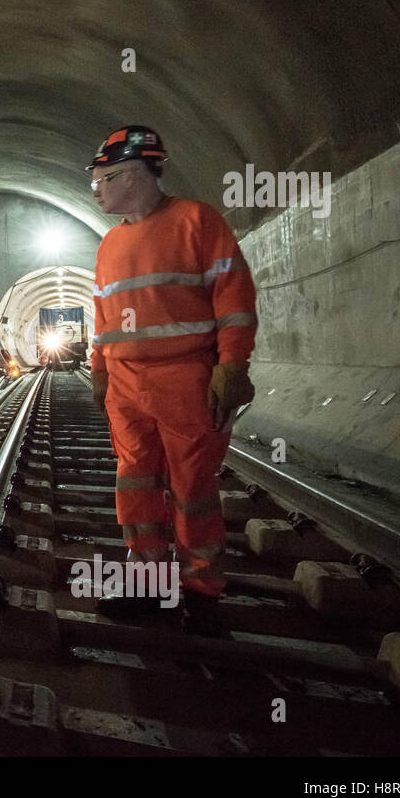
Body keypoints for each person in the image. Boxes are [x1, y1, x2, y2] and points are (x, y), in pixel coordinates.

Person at [87, 126, 258, 636]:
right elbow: (103, 315)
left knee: (191, 490)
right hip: (125, 384)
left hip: (185, 378)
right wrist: (99, 370)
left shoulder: (197, 222)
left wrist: (232, 366)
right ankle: (147, 583)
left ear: (137, 175)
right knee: (136, 484)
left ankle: (201, 593)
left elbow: (234, 300)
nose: (95, 189)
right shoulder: (110, 244)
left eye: (103, 178)